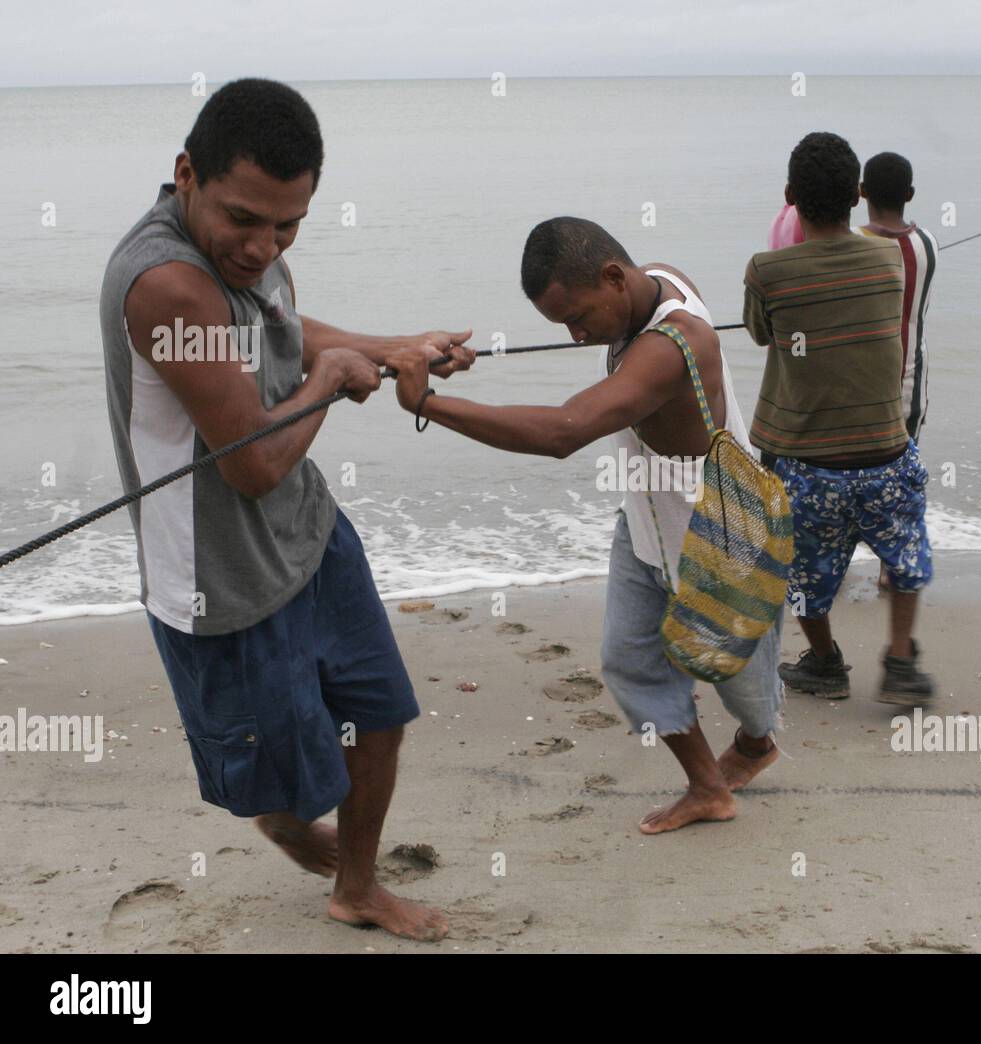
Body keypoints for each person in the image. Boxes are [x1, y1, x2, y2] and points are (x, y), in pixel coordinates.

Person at [99, 78, 473, 942]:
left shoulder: (252, 253)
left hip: (309, 534)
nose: (264, 245)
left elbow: (285, 331)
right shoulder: (167, 286)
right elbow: (256, 465)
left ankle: (358, 887)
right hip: (217, 576)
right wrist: (336, 380)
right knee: (278, 786)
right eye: (245, 220)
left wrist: (393, 346)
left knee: (380, 716)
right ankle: (273, 815)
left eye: (289, 225)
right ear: (186, 175)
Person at [389, 217, 783, 835]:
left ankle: (757, 744)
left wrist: (428, 405)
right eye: (563, 326)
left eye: (578, 318)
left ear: (612, 277)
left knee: (739, 678)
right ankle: (708, 787)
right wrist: (464, 364)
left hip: (718, 533)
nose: (576, 337)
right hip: (647, 521)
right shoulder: (655, 279)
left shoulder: (671, 344)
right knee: (629, 659)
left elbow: (563, 432)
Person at [743, 132, 935, 705]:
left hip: (806, 466)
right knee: (903, 556)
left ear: (789, 196)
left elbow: (760, 333)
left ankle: (825, 663)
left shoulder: (765, 270)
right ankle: (900, 658)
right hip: (887, 455)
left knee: (801, 574)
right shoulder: (886, 257)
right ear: (856, 196)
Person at [853, 151, 939, 590]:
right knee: (900, 483)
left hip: (860, 394)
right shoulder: (928, 243)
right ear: (909, 195)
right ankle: (894, 568)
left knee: (847, 478)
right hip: (911, 388)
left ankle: (833, 567)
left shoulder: (852, 246)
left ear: (861, 192)